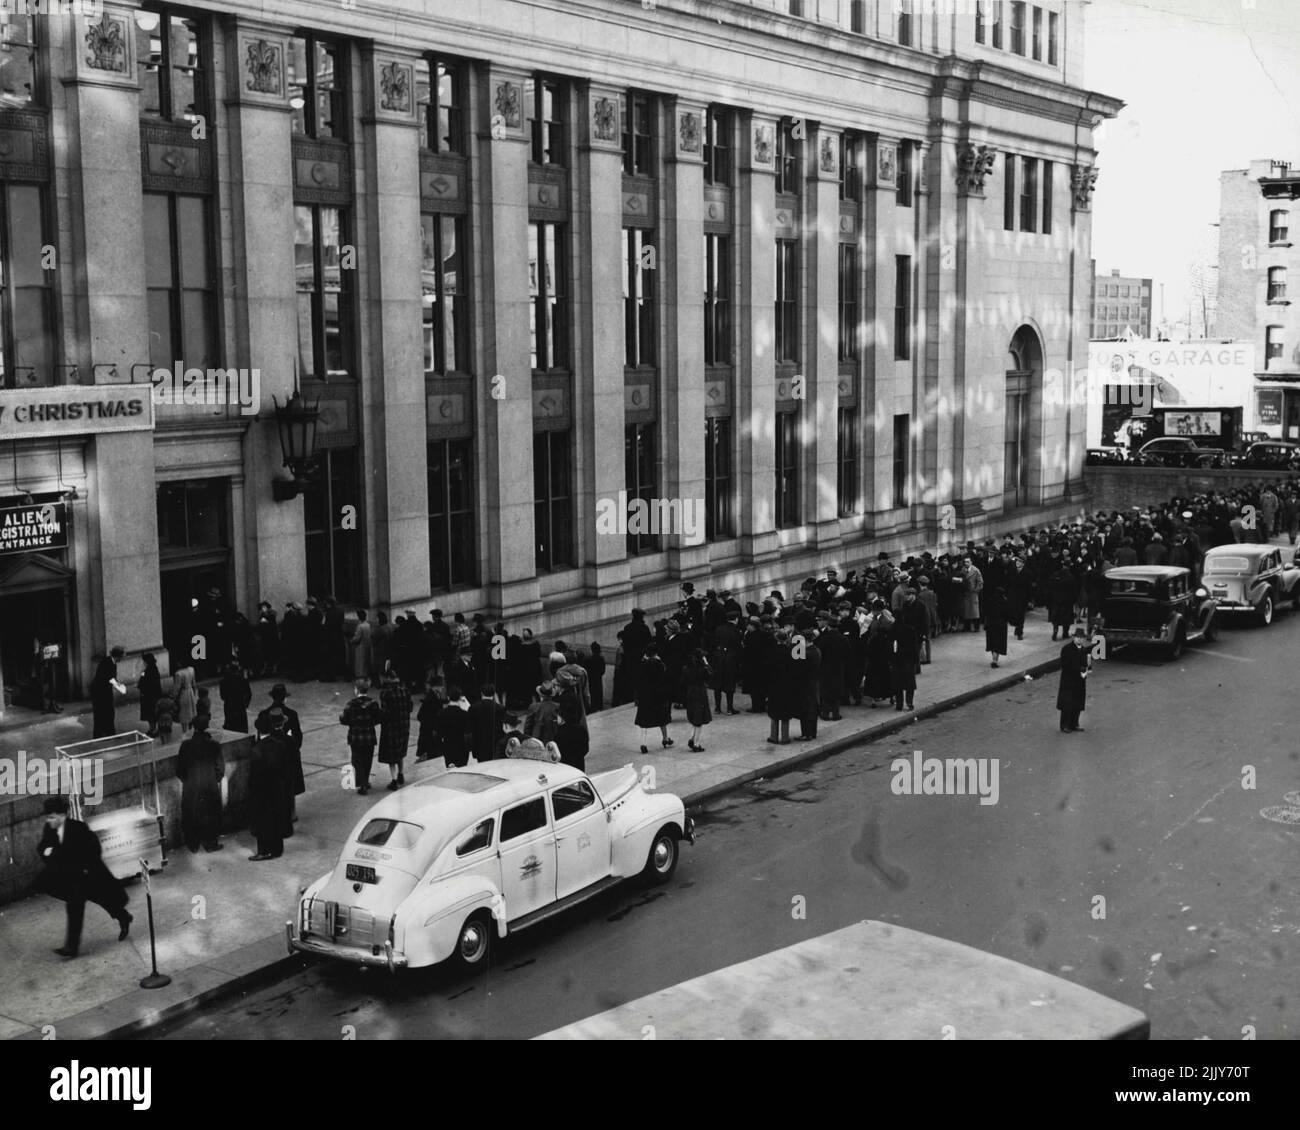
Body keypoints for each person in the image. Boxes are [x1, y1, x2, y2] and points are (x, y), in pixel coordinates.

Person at [37, 795, 132, 958]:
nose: (49, 821)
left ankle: (72, 947)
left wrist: (85, 868)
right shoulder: (49, 829)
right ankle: (123, 916)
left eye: (52, 817)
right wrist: (47, 853)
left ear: (62, 816)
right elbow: (42, 847)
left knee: (88, 902)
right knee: (82, 901)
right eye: (47, 817)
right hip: (69, 877)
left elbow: (94, 849)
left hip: (87, 874)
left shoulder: (78, 828)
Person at [254, 683, 304, 833]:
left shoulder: (264, 714)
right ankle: (291, 812)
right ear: (284, 698)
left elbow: (259, 737)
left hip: (269, 755)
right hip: (288, 753)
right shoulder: (292, 714)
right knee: (290, 783)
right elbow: (298, 736)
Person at [177, 714, 224, 852]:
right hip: (210, 786)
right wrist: (214, 780)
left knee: (191, 813)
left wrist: (188, 780)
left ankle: (193, 844)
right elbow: (220, 769)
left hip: (191, 787)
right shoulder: (214, 746)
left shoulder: (185, 746)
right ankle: (211, 843)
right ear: (207, 727)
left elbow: (179, 770)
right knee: (211, 814)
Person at [250, 708, 290, 860]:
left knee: (263, 821)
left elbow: (254, 776)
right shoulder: (280, 744)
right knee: (276, 817)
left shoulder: (256, 749)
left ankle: (264, 851)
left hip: (262, 791)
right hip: (278, 787)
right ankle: (277, 849)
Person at [339, 679, 384, 795]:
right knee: (367, 759)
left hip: (356, 737)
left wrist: (352, 723)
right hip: (369, 736)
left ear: (357, 690)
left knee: (357, 760)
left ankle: (362, 784)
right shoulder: (373, 703)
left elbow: (343, 719)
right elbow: (379, 717)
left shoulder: (351, 704)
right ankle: (366, 781)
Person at [378, 666, 413, 790]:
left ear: (387, 678)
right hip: (403, 726)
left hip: (391, 728)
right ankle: (401, 774)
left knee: (391, 756)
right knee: (400, 753)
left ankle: (393, 780)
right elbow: (410, 708)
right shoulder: (405, 691)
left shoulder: (385, 693)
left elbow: (385, 712)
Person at [634, 645, 673, 753]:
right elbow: (665, 679)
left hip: (645, 696)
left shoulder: (642, 665)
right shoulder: (660, 664)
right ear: (656, 654)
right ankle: (665, 738)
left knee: (644, 720)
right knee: (662, 718)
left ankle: (643, 743)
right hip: (658, 695)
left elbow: (638, 680)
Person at [1057, 628, 1090, 733]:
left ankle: (1074, 724)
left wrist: (1085, 671)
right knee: (1067, 703)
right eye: (1077, 637)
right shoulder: (1067, 649)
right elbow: (1065, 665)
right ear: (1074, 638)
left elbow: (1086, 663)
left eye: (1081, 637)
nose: (1079, 639)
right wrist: (1078, 670)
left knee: (1078, 703)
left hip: (1080, 680)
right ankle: (1064, 725)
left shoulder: (1083, 649)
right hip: (1069, 680)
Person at [89, 645, 125, 738]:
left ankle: (109, 732)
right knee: (100, 713)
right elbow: (108, 677)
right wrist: (117, 685)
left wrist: (118, 684)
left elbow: (112, 677)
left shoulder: (112, 663)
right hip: (99, 692)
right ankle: (99, 735)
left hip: (105, 691)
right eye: (121, 657)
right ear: (117, 656)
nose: (122, 659)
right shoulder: (106, 662)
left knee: (109, 712)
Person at [682, 649, 713, 752]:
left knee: (694, 718)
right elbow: (710, 675)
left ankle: (692, 738)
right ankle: (696, 743)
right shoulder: (703, 669)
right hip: (700, 693)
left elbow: (683, 681)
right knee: (699, 719)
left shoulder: (686, 668)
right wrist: (707, 663)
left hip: (690, 692)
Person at [467, 683, 507, 763]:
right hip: (495, 744)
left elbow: (470, 728)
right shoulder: (500, 708)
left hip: (479, 744)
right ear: (494, 694)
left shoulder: (473, 708)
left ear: (481, 693)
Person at [434, 686, 472, 767]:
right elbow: (468, 732)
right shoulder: (464, 714)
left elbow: (438, 733)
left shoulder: (442, 713)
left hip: (448, 746)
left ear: (448, 697)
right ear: (460, 698)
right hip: (461, 747)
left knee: (450, 769)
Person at [218, 660, 251, 732]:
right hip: (240, 705)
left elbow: (222, 697)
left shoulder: (223, 681)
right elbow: (248, 694)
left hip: (229, 706)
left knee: (230, 727)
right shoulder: (243, 680)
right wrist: (245, 704)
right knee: (241, 726)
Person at [984, 586, 1009, 668]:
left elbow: (986, 613)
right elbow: (1007, 614)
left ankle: (994, 659)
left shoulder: (990, 601)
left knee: (992, 642)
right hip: (1001, 625)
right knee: (998, 643)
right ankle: (995, 660)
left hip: (990, 624)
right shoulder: (1004, 602)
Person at [138, 652, 162, 737]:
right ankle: (152, 729)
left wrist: (140, 685)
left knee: (151, 714)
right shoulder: (151, 669)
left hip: (149, 696)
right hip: (150, 696)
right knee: (151, 714)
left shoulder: (150, 671)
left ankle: (153, 729)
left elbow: (145, 682)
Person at [580, 642, 607, 712]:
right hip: (598, 678)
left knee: (592, 693)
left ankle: (592, 707)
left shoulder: (588, 659)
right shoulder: (601, 658)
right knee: (598, 693)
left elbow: (585, 669)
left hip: (591, 679)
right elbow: (603, 671)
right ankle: (599, 707)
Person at [173, 666, 199, 732]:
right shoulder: (191, 669)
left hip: (183, 694)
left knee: (184, 714)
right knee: (191, 712)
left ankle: (185, 731)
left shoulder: (178, 674)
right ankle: (191, 729)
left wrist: (174, 697)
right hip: (190, 692)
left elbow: (177, 688)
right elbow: (194, 683)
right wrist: (194, 694)